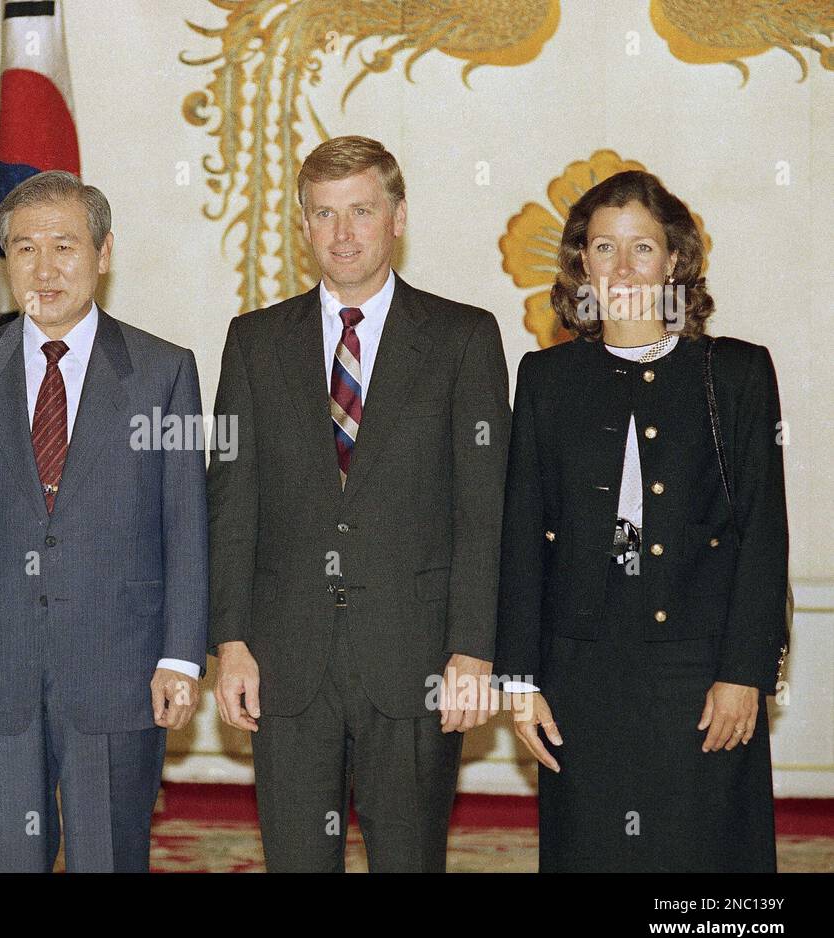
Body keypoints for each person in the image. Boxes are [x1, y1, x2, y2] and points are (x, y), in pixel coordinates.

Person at [208, 136, 510, 872]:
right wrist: (232, 643)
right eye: (324, 214)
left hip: (417, 660)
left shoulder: (463, 338)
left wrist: (473, 650)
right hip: (287, 662)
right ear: (304, 225)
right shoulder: (253, 342)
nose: (343, 233)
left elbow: (484, 510)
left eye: (362, 211)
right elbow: (231, 503)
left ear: (397, 217)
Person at [0, 170, 207, 873]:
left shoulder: (164, 372)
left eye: (65, 246)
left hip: (120, 670)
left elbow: (187, 525)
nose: (45, 268)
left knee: (108, 857)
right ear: (5, 261)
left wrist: (182, 657)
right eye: (24, 248)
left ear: (103, 254)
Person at [496, 169, 788, 872]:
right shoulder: (546, 378)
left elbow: (763, 535)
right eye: (604, 248)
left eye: (643, 248)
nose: (623, 267)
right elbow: (522, 537)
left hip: (700, 668)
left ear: (677, 261)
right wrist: (520, 682)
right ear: (580, 265)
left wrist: (744, 673)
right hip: (581, 673)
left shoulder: (737, 375)